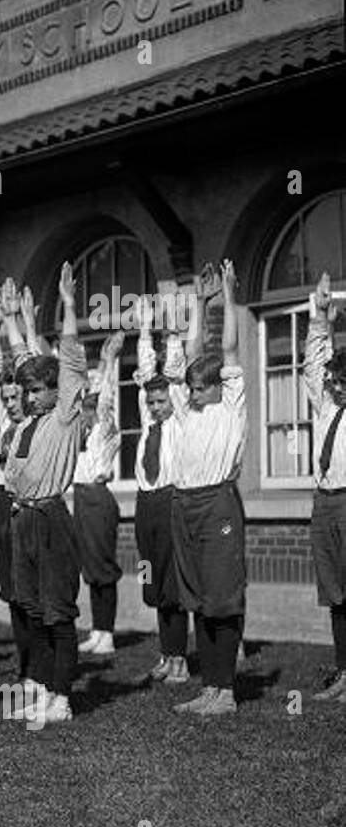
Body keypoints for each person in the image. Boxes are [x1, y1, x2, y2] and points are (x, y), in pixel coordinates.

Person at [3, 262, 97, 725]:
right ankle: (40, 687)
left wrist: (69, 305)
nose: (33, 396)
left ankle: (62, 696)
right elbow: (25, 362)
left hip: (51, 520)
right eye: (29, 390)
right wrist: (15, 321)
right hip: (22, 518)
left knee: (58, 611)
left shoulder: (63, 420)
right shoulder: (26, 425)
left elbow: (72, 360)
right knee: (32, 609)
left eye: (41, 390)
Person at [165, 260, 247, 717]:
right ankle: (209, 688)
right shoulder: (185, 411)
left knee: (221, 596)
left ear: (218, 387)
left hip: (217, 504)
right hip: (183, 503)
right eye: (191, 387)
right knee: (197, 596)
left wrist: (228, 297)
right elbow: (196, 350)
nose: (193, 393)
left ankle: (227, 690)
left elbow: (228, 348)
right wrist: (198, 301)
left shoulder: (230, 403)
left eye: (201, 387)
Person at [130, 296, 190, 686]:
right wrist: (144, 329)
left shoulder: (179, 417)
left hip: (169, 500)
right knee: (149, 578)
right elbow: (144, 371)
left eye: (161, 400)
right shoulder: (148, 420)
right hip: (144, 505)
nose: (155, 406)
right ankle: (164, 654)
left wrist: (171, 332)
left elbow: (171, 373)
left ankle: (180, 659)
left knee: (171, 582)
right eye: (151, 401)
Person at [0, 284, 33, 684]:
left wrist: (16, 322)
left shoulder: (34, 423)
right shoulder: (4, 423)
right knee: (9, 587)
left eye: (16, 396)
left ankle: (39, 661)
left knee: (28, 584)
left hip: (25, 503)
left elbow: (29, 364)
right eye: (6, 397)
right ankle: (24, 660)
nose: (10, 403)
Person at [305, 272, 346, 703]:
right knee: (336, 593)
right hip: (325, 502)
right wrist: (320, 319)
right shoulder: (326, 405)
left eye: (341, 382)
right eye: (333, 382)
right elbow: (314, 364)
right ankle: (343, 671)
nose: (333, 386)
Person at [73, 334, 124, 655]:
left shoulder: (104, 428)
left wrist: (109, 361)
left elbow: (105, 396)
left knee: (102, 569)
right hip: (80, 498)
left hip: (98, 498)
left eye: (90, 405)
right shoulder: (80, 431)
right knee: (90, 569)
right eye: (84, 405)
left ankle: (108, 632)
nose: (87, 409)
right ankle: (97, 629)